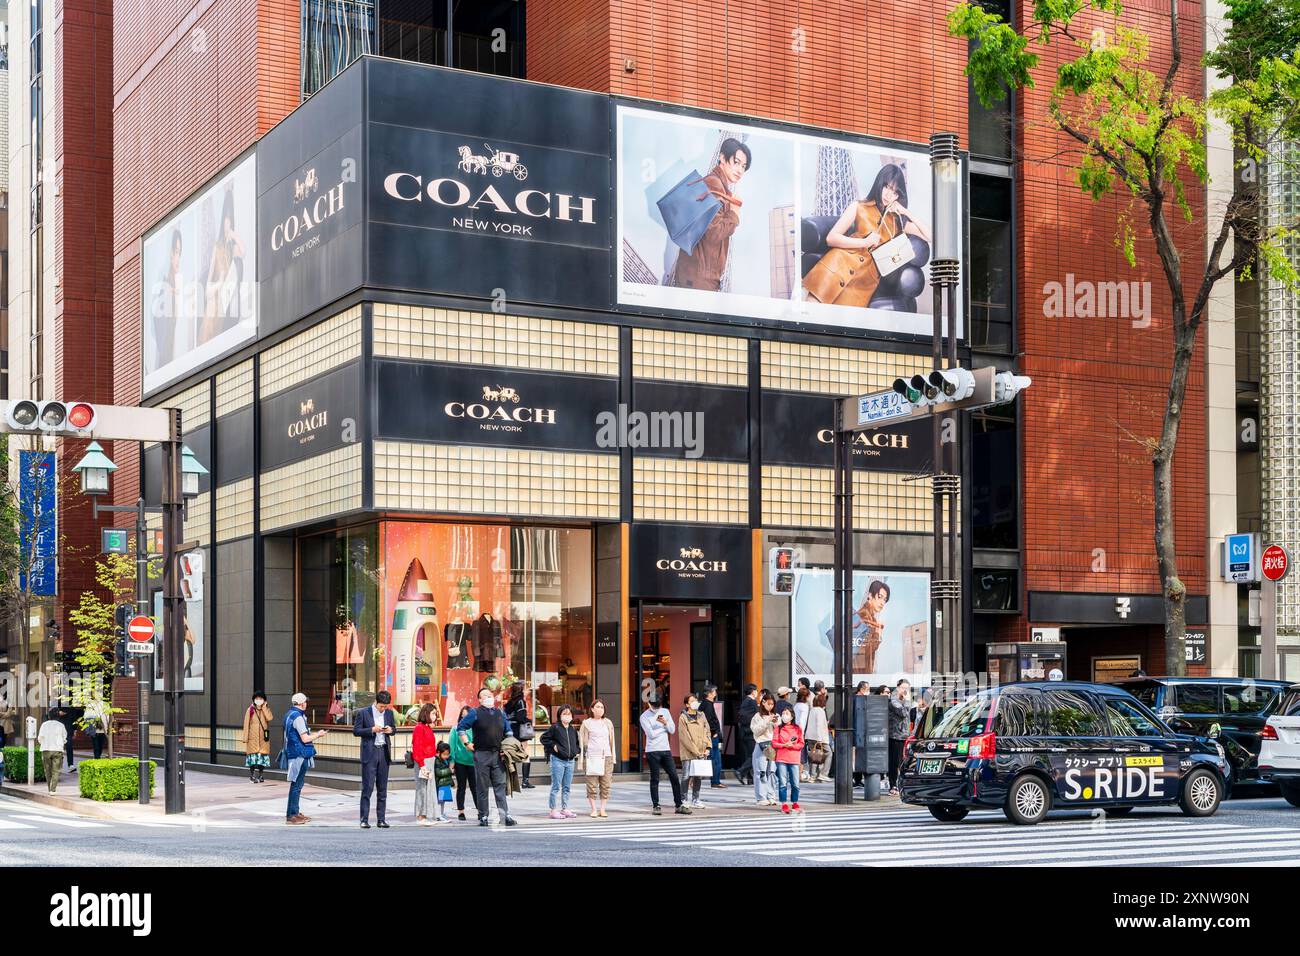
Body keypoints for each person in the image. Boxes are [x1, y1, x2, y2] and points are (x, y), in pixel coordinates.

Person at [803, 164, 931, 308]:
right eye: (887, 187)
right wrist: (865, 242)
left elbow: (930, 236)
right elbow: (831, 238)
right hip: (838, 265)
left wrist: (906, 212)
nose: (889, 195)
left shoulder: (898, 221)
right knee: (811, 313)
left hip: (863, 283)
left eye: (895, 192)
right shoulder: (859, 206)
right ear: (879, 184)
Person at [668, 138, 751, 291]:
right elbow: (714, 233)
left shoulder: (721, 189)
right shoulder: (714, 184)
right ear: (722, 158)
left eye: (744, 166)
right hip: (698, 279)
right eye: (736, 162)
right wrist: (734, 214)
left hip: (699, 276)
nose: (740, 170)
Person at [455, 687, 517, 827]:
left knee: (500, 786)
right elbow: (461, 727)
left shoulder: (500, 713)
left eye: (490, 695)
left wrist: (507, 748)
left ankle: (504, 815)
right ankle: (483, 816)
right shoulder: (474, 713)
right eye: (485, 695)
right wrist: (466, 743)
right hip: (481, 753)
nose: (489, 697)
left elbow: (509, 732)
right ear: (480, 699)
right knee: (482, 787)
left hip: (498, 754)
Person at [640, 694, 690, 816]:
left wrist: (665, 722)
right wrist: (663, 728)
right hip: (652, 750)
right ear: (649, 704)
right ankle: (656, 805)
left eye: (658, 706)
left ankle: (678, 805)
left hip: (665, 749)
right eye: (654, 706)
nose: (656, 709)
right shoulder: (644, 716)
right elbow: (650, 734)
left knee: (674, 776)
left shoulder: (665, 712)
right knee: (655, 778)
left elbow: (672, 730)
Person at [353, 689, 397, 829]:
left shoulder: (389, 713)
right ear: (376, 702)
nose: (383, 709)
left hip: (383, 751)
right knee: (368, 787)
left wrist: (391, 730)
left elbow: (394, 728)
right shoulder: (364, 713)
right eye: (381, 706)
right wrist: (371, 729)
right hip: (370, 753)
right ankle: (364, 819)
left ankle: (381, 819)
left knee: (382, 788)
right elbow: (356, 731)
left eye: (386, 706)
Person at [284, 692, 329, 824]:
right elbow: (305, 738)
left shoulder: (289, 714)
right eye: (305, 701)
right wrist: (319, 734)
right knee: (297, 785)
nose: (306, 703)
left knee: (296, 784)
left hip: (293, 752)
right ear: (301, 703)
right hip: (300, 754)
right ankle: (292, 815)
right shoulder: (298, 717)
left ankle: (295, 812)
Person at [540, 704, 580, 819]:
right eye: (564, 714)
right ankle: (553, 810)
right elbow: (543, 738)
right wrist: (553, 746)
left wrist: (576, 751)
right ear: (559, 715)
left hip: (570, 761)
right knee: (556, 786)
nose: (567, 716)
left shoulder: (572, 729)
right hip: (558, 760)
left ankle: (565, 808)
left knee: (567, 787)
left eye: (569, 714)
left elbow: (577, 744)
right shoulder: (555, 727)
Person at [580, 699, 616, 818]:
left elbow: (612, 742)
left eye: (602, 707)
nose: (600, 709)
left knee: (606, 784)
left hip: (606, 756)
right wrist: (582, 759)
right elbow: (582, 742)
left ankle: (603, 809)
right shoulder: (586, 723)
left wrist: (612, 756)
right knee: (592, 784)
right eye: (597, 707)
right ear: (592, 709)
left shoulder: (608, 723)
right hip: (592, 757)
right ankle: (594, 809)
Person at [678, 693, 713, 810]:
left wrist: (708, 747)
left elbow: (707, 731)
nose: (695, 702)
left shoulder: (701, 715)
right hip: (689, 752)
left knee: (698, 776)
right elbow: (684, 737)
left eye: (696, 700)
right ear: (687, 704)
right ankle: (683, 799)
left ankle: (696, 799)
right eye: (692, 701)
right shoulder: (683, 717)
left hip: (702, 750)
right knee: (686, 776)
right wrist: (696, 751)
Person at [772, 701, 805, 813]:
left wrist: (793, 746)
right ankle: (784, 803)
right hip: (781, 758)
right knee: (782, 782)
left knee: (795, 783)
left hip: (794, 758)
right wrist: (784, 745)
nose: (784, 715)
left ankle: (795, 802)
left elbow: (801, 743)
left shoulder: (798, 728)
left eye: (786, 713)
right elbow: (774, 743)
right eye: (783, 713)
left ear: (792, 716)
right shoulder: (778, 728)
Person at [449, 705, 479, 821]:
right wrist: (451, 762)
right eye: (464, 715)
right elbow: (452, 746)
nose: (466, 717)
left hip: (474, 762)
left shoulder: (476, 728)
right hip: (460, 762)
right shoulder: (456, 729)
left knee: (475, 788)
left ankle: (480, 810)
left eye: (469, 715)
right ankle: (461, 811)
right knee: (461, 787)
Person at [503, 681, 535, 789]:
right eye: (526, 689)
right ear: (521, 690)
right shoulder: (521, 702)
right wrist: (529, 720)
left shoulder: (509, 702)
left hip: (510, 731)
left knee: (511, 755)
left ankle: (511, 781)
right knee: (525, 755)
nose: (528, 690)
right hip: (520, 732)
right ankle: (525, 781)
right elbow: (521, 718)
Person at [750, 690, 778, 806]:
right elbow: (756, 731)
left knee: (772, 771)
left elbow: (779, 730)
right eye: (769, 704)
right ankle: (761, 797)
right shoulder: (757, 716)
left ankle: (771, 795)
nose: (770, 706)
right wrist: (767, 722)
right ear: (763, 703)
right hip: (761, 745)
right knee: (760, 771)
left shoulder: (775, 715)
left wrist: (776, 723)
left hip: (772, 746)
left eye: (772, 704)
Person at [412, 702, 439, 825]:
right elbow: (416, 748)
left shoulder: (427, 727)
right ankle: (420, 817)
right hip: (423, 761)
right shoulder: (419, 728)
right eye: (433, 713)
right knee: (422, 789)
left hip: (430, 760)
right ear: (426, 713)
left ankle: (426, 815)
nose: (435, 716)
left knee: (428, 789)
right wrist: (422, 765)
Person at [241, 691, 273, 783]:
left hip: (263, 739)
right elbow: (246, 724)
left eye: (261, 698)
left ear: (264, 700)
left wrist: (264, 707)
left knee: (262, 758)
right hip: (253, 739)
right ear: (254, 700)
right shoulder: (250, 709)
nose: (258, 700)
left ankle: (261, 775)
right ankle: (252, 776)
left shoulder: (266, 709)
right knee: (253, 758)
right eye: (257, 698)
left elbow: (270, 718)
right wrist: (245, 738)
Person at [888, 680, 912, 795]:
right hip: (895, 735)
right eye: (903, 688)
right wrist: (907, 701)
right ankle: (893, 785)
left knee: (903, 761)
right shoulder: (893, 700)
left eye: (907, 688)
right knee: (894, 762)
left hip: (904, 735)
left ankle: (901, 784)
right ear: (898, 688)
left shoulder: (903, 700)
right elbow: (903, 713)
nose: (905, 690)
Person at [700, 684, 726, 789]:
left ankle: (715, 781)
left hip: (709, 735)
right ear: (709, 693)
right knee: (715, 759)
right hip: (711, 736)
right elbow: (709, 721)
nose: (715, 693)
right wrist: (714, 732)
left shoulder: (705, 704)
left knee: (713, 758)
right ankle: (715, 781)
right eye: (714, 691)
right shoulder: (708, 705)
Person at [806, 689, 832, 783]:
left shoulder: (812, 710)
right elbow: (819, 725)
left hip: (810, 736)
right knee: (829, 753)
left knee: (814, 755)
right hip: (819, 737)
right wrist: (820, 739)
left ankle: (812, 776)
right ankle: (823, 774)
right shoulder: (820, 711)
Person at [734, 683, 759, 785]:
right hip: (750, 732)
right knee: (754, 755)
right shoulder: (752, 702)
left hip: (743, 732)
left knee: (748, 755)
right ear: (753, 691)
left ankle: (750, 778)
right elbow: (757, 716)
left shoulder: (744, 702)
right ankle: (740, 771)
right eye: (756, 690)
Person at [37, 712, 67, 793]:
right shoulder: (61, 725)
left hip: (46, 749)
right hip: (57, 750)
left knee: (47, 770)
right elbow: (64, 738)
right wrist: (61, 744)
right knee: (56, 770)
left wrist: (44, 743)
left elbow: (40, 738)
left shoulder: (44, 725)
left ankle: (49, 789)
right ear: (58, 716)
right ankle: (52, 789)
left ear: (49, 716)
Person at [851, 681, 870, 788]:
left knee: (859, 755)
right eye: (867, 688)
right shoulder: (857, 699)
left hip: (859, 731)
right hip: (857, 731)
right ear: (862, 689)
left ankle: (857, 778)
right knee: (856, 755)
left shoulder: (856, 699)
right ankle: (856, 778)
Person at [794, 685, 812, 782]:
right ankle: (799, 775)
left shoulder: (796, 705)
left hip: (793, 730)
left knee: (796, 753)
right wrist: (801, 734)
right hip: (800, 732)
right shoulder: (805, 706)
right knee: (801, 754)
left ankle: (797, 774)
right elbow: (802, 721)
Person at [433, 743, 455, 823]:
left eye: (448, 754)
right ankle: (439, 815)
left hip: (445, 784)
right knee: (440, 800)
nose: (446, 756)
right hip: (440, 785)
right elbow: (438, 773)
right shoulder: (437, 761)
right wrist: (449, 770)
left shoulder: (445, 760)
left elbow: (451, 758)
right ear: (438, 752)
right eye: (445, 754)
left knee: (443, 800)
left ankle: (441, 814)